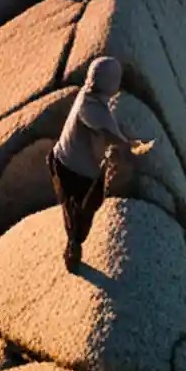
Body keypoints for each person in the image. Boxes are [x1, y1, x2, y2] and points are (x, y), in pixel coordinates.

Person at [47, 55, 135, 272]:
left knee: (81, 211)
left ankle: (74, 245)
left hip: (69, 163)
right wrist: (131, 146)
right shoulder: (91, 107)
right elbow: (108, 134)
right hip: (72, 169)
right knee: (79, 215)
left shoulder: (88, 96)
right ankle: (73, 252)